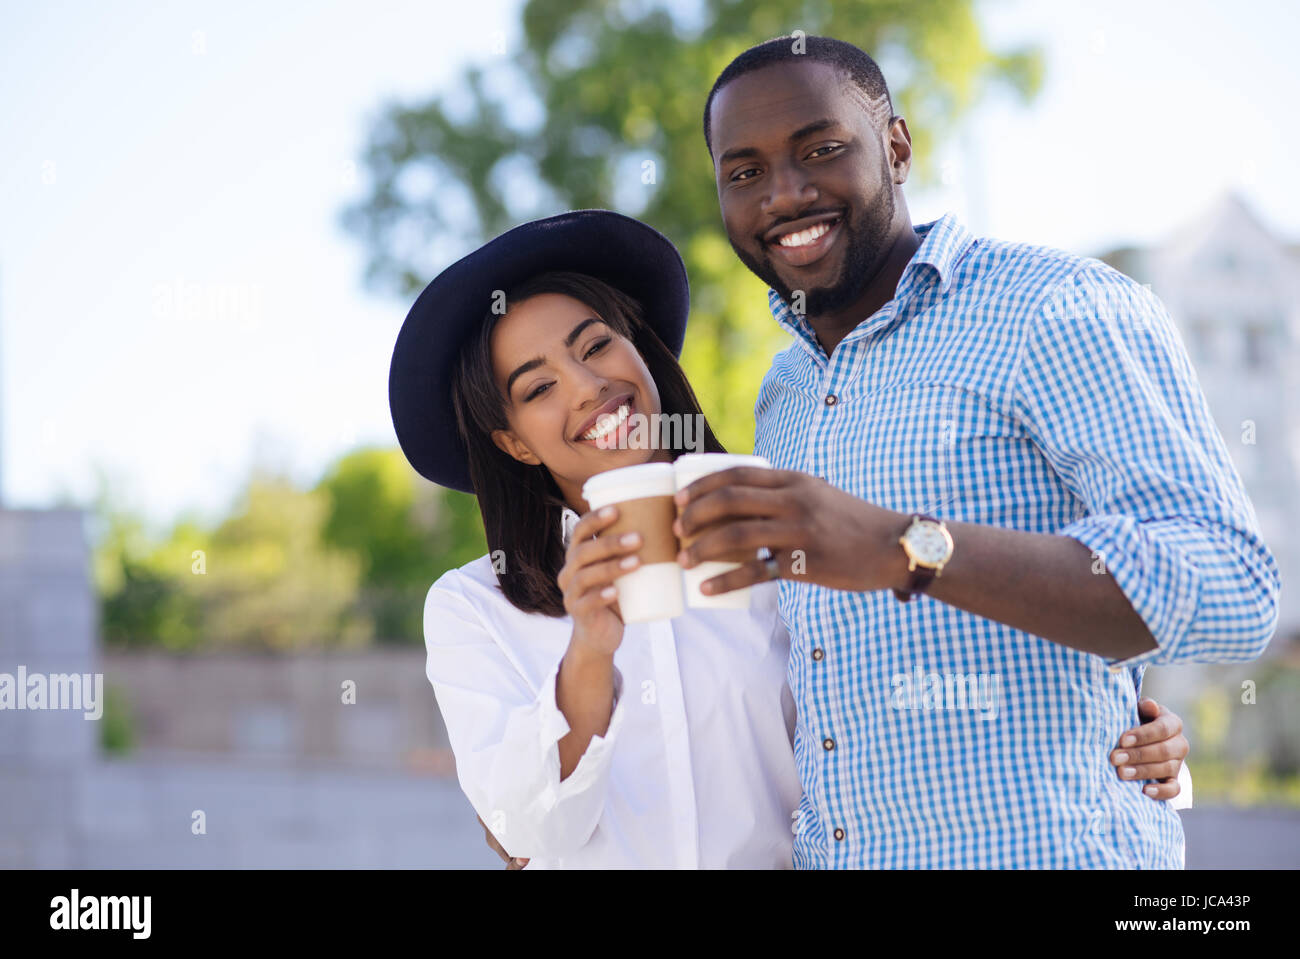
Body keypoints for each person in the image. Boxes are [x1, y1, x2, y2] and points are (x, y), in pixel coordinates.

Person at [388, 209, 1192, 869]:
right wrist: (590, 652)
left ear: (639, 346)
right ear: (514, 442)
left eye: (596, 343)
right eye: (537, 387)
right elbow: (523, 837)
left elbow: (894, 712)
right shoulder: (473, 606)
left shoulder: (780, 535)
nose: (590, 385)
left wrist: (1128, 742)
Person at [672, 35, 1272, 868]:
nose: (785, 193)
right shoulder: (785, 393)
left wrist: (903, 548)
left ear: (897, 147)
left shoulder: (1058, 307)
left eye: (821, 149)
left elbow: (1232, 588)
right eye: (744, 172)